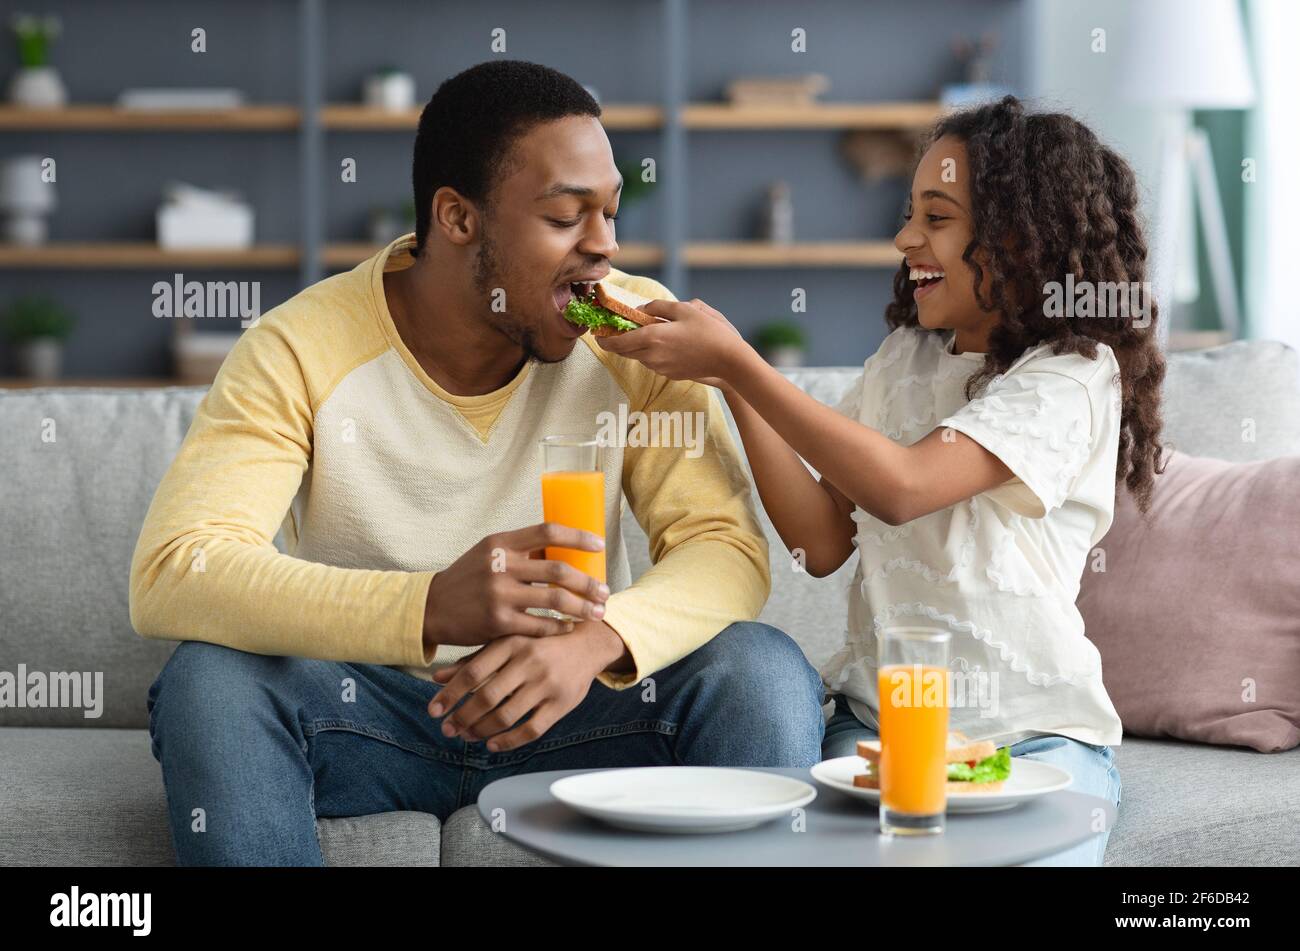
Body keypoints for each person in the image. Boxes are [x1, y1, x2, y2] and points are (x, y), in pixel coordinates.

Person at [132, 60, 826, 866]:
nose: (603, 246)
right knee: (209, 683)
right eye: (567, 217)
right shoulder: (298, 347)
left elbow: (725, 548)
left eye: (609, 212)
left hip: (578, 711)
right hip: (371, 717)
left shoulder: (637, 333)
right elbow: (177, 569)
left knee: (760, 668)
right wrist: (426, 607)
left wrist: (595, 643)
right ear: (458, 218)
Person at [597, 96, 1169, 866]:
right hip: (876, 727)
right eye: (911, 214)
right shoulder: (904, 360)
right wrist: (729, 382)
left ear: (1017, 236)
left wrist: (741, 363)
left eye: (937, 218)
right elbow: (823, 540)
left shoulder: (1070, 375)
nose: (905, 239)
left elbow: (904, 485)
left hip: (1033, 735)